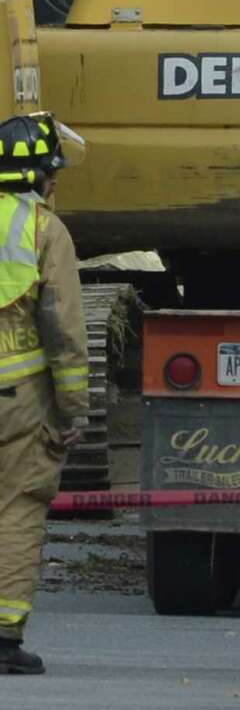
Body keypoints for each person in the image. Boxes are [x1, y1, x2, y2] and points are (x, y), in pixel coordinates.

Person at [0, 113, 89, 676]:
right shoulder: (43, 230)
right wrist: (75, 407)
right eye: (52, 172)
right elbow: (63, 327)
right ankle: (3, 636)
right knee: (17, 509)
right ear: (38, 175)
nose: (55, 182)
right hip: (19, 397)